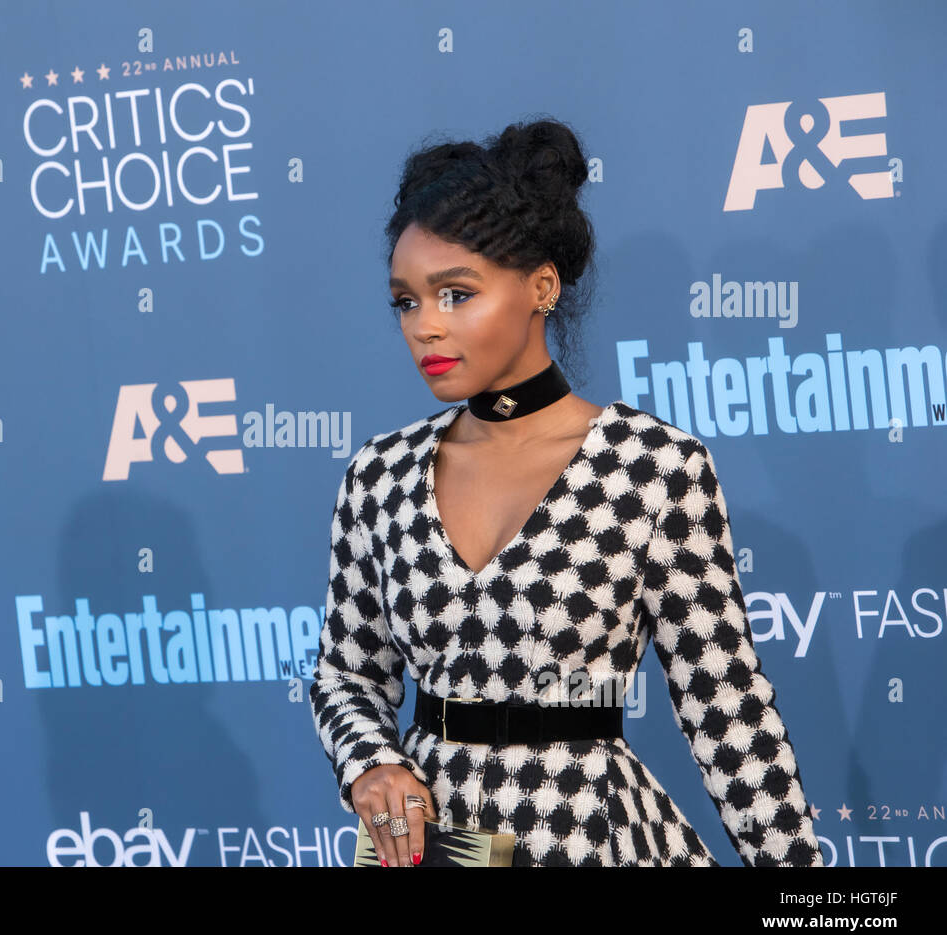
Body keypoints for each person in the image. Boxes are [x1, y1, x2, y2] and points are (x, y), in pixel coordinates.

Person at [308, 117, 824, 868]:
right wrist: (370, 764)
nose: (426, 327)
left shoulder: (652, 466)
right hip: (430, 846)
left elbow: (727, 709)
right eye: (407, 302)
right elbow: (347, 673)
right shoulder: (379, 473)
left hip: (583, 834)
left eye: (456, 294)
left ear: (541, 286)